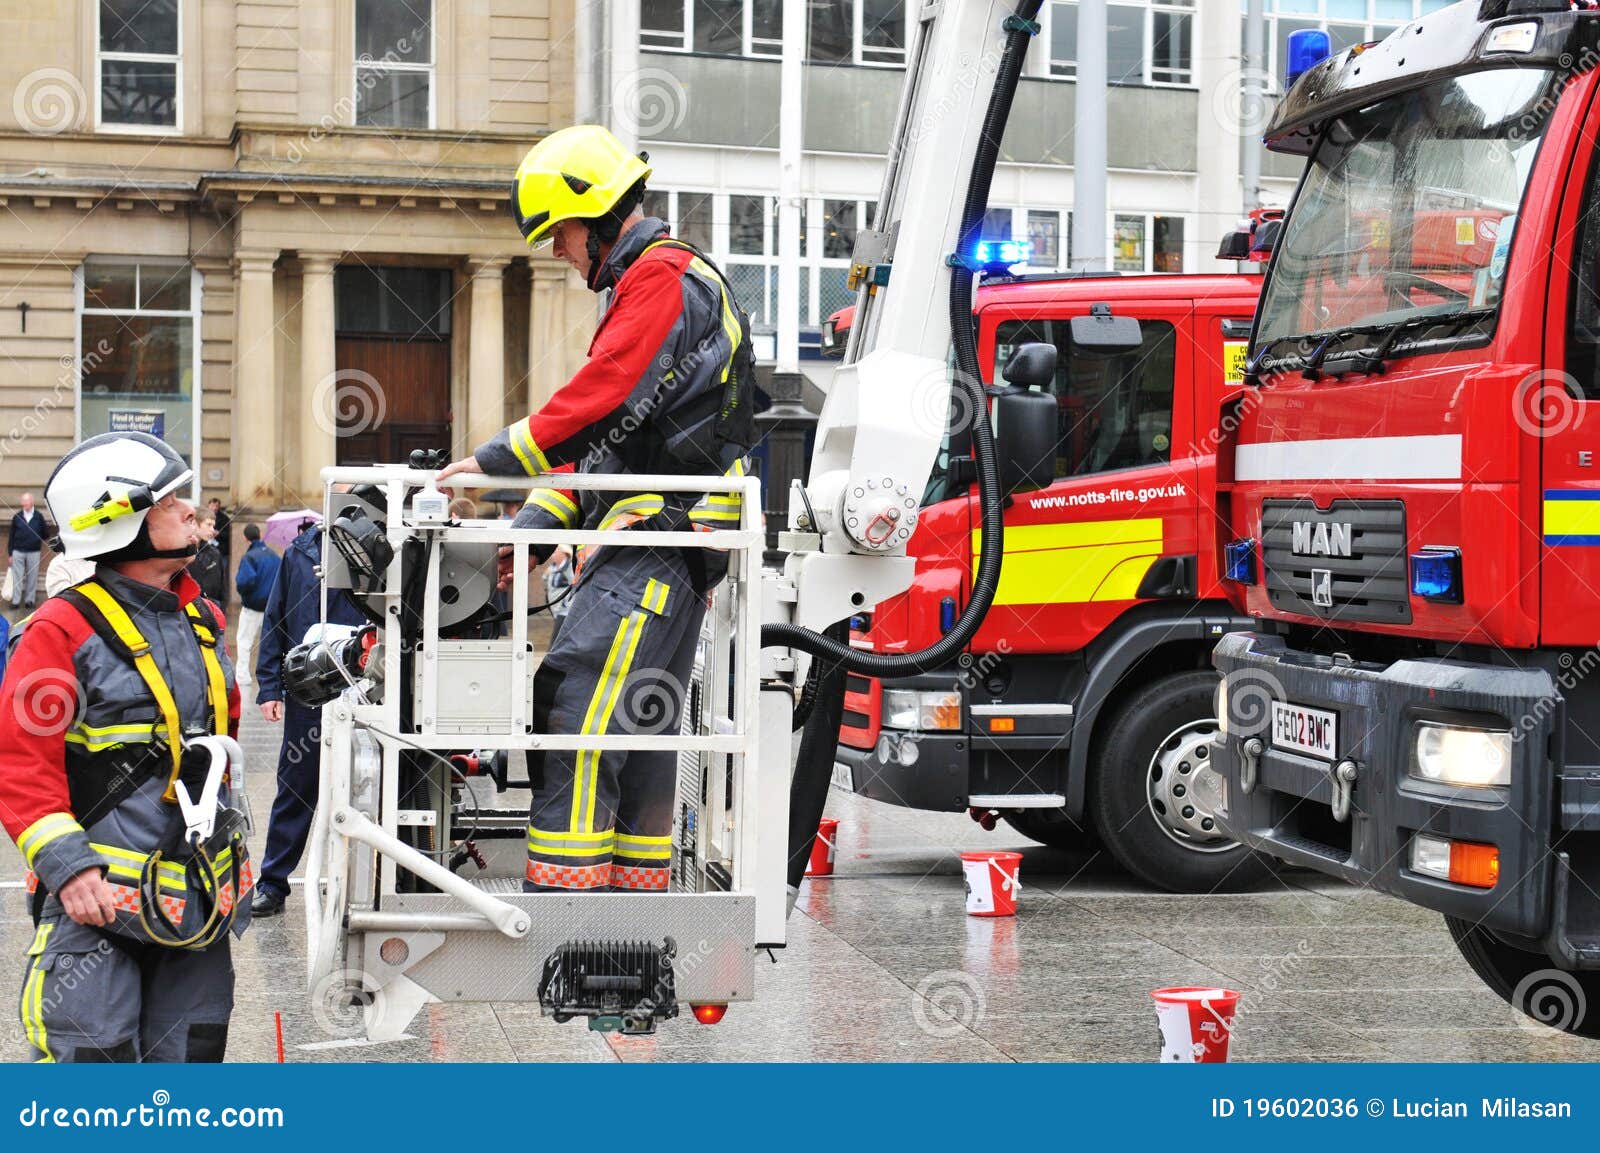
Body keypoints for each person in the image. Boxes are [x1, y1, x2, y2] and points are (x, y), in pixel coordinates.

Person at [438, 124, 756, 894]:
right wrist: (535, 533)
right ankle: (632, 922)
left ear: (597, 214)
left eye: (559, 234)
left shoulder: (661, 280)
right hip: (669, 546)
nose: (556, 252)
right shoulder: (659, 284)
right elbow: (607, 448)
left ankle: (569, 908)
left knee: (578, 705)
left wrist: (492, 460)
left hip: (657, 544)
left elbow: (599, 400)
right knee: (642, 732)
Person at [0, 432, 248, 1062]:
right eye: (169, 501)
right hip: (97, 901)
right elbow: (21, 762)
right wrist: (69, 868)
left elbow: (215, 741)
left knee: (188, 1068)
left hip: (195, 902)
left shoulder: (203, 618)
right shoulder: (59, 629)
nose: (190, 509)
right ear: (119, 523)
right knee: (92, 1069)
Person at [250, 518, 367, 916]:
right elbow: (276, 617)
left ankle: (368, 888)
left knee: (371, 784)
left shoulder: (385, 547)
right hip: (309, 686)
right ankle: (272, 882)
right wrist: (269, 685)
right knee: (296, 786)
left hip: (369, 684)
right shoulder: (301, 553)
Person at [232, 523, 279, 690]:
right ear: (260, 534)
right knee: (269, 643)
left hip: (252, 607)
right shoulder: (274, 556)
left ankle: (243, 677)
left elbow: (245, 581)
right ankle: (270, 676)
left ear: (245, 538)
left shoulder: (250, 557)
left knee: (244, 641)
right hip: (270, 607)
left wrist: (245, 594)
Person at [8, 492, 50, 609]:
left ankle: (29, 600)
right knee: (17, 577)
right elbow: (11, 536)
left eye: (27, 501)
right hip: (18, 551)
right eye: (23, 501)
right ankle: (15, 601)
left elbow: (45, 533)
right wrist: (10, 553)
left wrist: (37, 537)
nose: (25, 503)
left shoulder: (38, 516)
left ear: (32, 502)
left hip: (34, 551)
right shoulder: (17, 516)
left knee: (32, 576)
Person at [186, 513, 226, 604]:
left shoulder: (214, 553)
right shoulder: (182, 552)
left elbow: (222, 588)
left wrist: (220, 607)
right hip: (188, 609)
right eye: (208, 525)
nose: (212, 530)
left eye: (213, 526)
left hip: (212, 608)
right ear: (195, 524)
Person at [207, 497, 232, 578]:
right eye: (213, 505)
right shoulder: (203, 516)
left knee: (221, 573)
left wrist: (219, 533)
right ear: (208, 505)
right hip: (207, 549)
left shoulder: (224, 518)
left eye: (217, 506)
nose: (215, 508)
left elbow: (229, 535)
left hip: (221, 550)